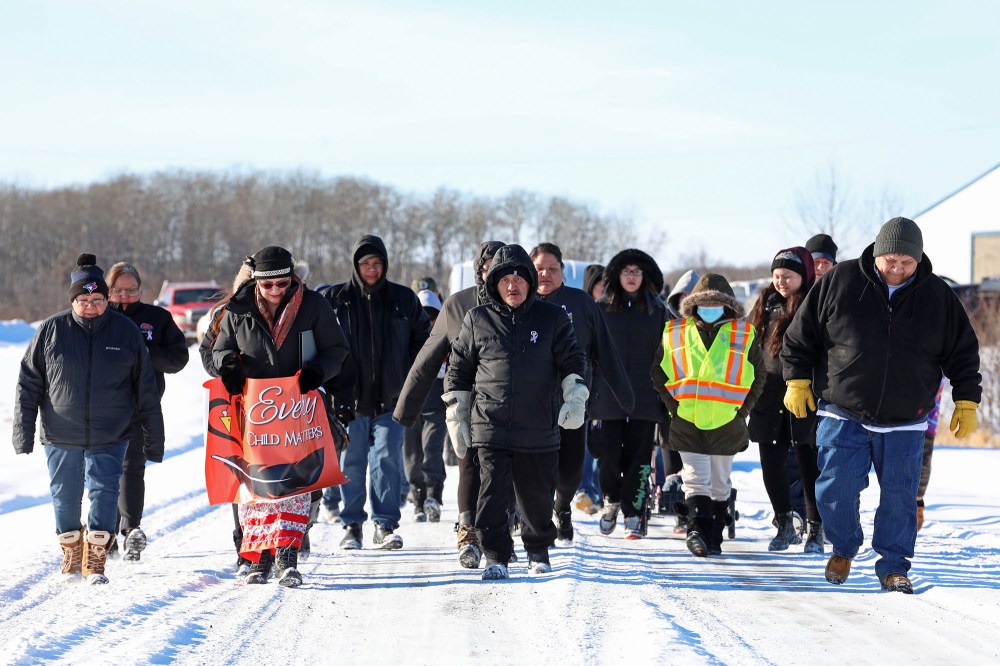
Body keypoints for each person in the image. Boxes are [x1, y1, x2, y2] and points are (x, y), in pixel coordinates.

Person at [782, 217, 981, 593]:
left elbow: (963, 353)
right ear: (877, 252)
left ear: (919, 260)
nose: (897, 269)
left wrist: (967, 400)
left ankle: (893, 565)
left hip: (907, 419)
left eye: (907, 263)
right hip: (843, 411)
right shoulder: (840, 281)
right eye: (891, 260)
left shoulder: (938, 296)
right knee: (834, 489)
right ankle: (843, 547)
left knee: (899, 499)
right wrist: (796, 380)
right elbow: (800, 336)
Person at [14, 254, 165, 584]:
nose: (92, 306)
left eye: (98, 300)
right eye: (84, 300)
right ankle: (72, 549)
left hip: (112, 432)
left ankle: (96, 557)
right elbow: (29, 383)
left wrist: (155, 439)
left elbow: (145, 389)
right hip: (60, 432)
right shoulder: (52, 331)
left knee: (105, 492)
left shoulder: (125, 332)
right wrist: (22, 432)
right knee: (65, 496)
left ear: (107, 299)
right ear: (73, 300)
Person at [444, 244, 587, 580]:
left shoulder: (551, 318)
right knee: (491, 496)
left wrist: (575, 396)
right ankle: (496, 556)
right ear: (494, 283)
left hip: (538, 426)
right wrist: (457, 413)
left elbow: (572, 361)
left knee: (536, 496)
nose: (513, 285)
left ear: (529, 282)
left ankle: (538, 551)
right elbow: (459, 370)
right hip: (490, 427)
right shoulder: (477, 319)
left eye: (519, 278)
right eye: (505, 278)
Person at [213, 246, 349, 586]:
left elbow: (337, 348)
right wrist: (228, 365)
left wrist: (318, 371)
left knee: (295, 483)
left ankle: (287, 557)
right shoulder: (239, 308)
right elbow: (220, 348)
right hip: (256, 409)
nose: (276, 291)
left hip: (297, 406)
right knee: (257, 483)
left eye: (283, 284)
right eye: (268, 285)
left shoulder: (313, 305)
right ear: (257, 282)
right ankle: (259, 557)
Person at [394, 241, 505, 568]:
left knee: (502, 472)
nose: (492, 274)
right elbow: (428, 357)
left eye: (499, 267)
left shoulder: (522, 303)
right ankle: (468, 532)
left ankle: (500, 528)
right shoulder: (458, 305)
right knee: (469, 465)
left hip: (510, 405)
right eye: (486, 268)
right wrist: (406, 407)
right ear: (479, 270)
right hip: (466, 402)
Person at [322, 235, 431, 551]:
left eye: (377, 263)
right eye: (365, 264)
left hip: (391, 399)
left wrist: (410, 379)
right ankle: (352, 524)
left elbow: (423, 342)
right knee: (352, 463)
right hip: (348, 399)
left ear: (385, 264)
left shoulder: (403, 299)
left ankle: (384, 525)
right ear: (356, 266)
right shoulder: (335, 300)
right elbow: (319, 344)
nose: (371, 269)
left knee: (386, 459)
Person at [652, 273, 766, 556]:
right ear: (693, 305)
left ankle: (714, 537)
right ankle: (696, 531)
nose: (711, 308)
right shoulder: (675, 331)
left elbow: (759, 375)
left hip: (727, 422)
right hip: (687, 421)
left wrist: (743, 410)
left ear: (728, 307)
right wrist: (673, 406)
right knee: (694, 478)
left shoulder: (744, 334)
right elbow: (658, 372)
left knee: (719, 481)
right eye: (705, 303)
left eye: (717, 303)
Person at [531, 244, 633, 545]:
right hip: (530, 404)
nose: (545, 274)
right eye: (540, 269)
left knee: (572, 469)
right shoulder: (522, 302)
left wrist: (624, 394)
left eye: (552, 269)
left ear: (563, 271)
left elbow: (605, 350)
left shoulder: (580, 303)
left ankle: (562, 507)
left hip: (573, 402)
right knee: (532, 467)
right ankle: (533, 521)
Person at [105, 262, 189, 562]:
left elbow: (179, 358)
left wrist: (145, 354)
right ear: (107, 289)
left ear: (141, 290)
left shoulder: (157, 318)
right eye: (117, 290)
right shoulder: (99, 316)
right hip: (103, 408)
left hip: (143, 407)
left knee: (132, 467)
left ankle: (132, 531)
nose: (124, 297)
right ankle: (105, 533)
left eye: (131, 290)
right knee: (104, 471)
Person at [747, 248, 824, 553]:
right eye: (776, 275)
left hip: (803, 390)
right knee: (771, 463)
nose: (780, 281)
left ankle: (816, 528)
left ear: (802, 276)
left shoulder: (814, 303)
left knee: (808, 463)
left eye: (787, 276)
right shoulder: (764, 302)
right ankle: (784, 524)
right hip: (768, 390)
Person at [590, 249, 668, 539]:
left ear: (644, 275)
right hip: (607, 395)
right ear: (616, 276)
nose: (632, 277)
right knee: (608, 455)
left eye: (637, 272)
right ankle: (611, 500)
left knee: (638, 459)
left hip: (646, 396)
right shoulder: (600, 309)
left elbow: (670, 354)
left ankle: (633, 512)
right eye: (626, 271)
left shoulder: (658, 310)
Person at [402, 288, 448, 522]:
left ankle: (433, 496)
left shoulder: (446, 338)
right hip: (411, 408)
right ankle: (418, 499)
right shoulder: (408, 337)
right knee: (412, 456)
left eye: (433, 317)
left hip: (436, 407)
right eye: (424, 316)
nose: (429, 322)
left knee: (432, 451)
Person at [573, 263, 607, 515]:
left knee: (600, 445)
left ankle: (596, 490)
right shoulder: (582, 310)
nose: (604, 289)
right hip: (586, 386)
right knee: (585, 443)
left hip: (606, 388)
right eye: (599, 283)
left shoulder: (609, 310)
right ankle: (584, 489)